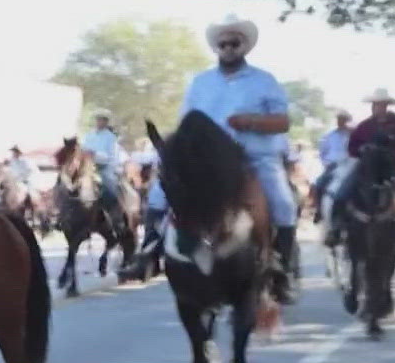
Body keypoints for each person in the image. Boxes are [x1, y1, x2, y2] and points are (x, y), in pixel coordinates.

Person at [119, 15, 295, 302]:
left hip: (251, 157)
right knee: (159, 194)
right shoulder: (200, 82)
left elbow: (283, 122)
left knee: (283, 203)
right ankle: (148, 252)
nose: (227, 47)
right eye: (222, 43)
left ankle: (280, 269)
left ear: (244, 46)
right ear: (217, 48)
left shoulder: (265, 81)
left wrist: (251, 121)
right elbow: (185, 121)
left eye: (233, 43)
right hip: (205, 161)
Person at [325, 87, 395, 250]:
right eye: (375, 104)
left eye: (381, 104)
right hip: (366, 168)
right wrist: (364, 149)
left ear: (387, 105)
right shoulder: (364, 126)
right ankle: (336, 229)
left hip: (394, 168)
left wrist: (393, 142)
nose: (378, 107)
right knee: (342, 191)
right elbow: (352, 148)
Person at [81, 110, 126, 212]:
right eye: (98, 119)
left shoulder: (111, 138)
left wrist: (94, 154)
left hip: (104, 168)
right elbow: (83, 149)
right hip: (87, 167)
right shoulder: (89, 135)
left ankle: (109, 212)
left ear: (106, 122)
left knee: (110, 187)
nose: (99, 122)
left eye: (102, 120)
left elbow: (112, 156)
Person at [311, 109, 352, 220]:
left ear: (347, 121)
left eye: (343, 119)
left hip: (348, 166)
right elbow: (322, 153)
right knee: (318, 184)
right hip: (332, 166)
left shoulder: (351, 135)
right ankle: (318, 210)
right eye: (339, 119)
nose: (341, 121)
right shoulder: (329, 136)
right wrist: (326, 164)